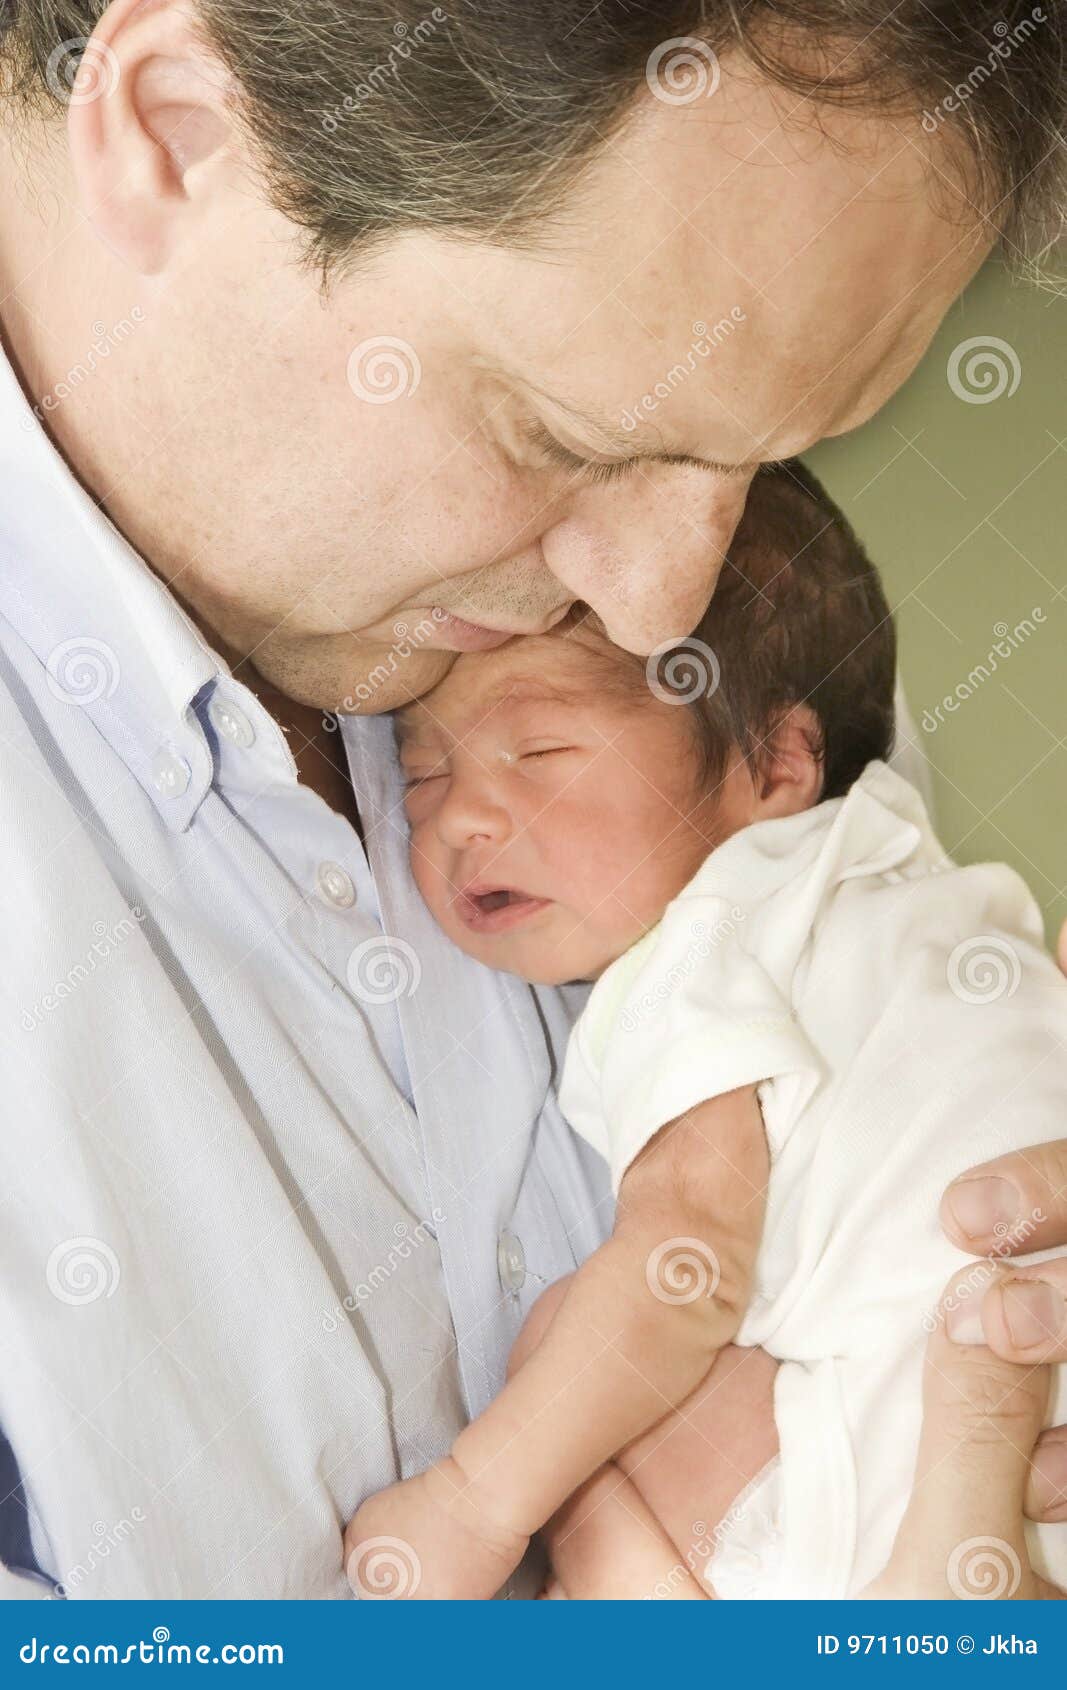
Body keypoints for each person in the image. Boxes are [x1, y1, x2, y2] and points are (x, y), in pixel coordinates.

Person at [0, 1, 1063, 1595]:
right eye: (559, 437)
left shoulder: (664, 616)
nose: (654, 607)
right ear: (173, 133)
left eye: (768, 462)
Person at [342, 462, 1067, 1599]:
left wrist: (472, 1501)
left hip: (886, 1497)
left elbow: (690, 1269)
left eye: (539, 754)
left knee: (572, 1337)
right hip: (1016, 1477)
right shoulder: (906, 880)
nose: (462, 817)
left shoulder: (701, 941)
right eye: (421, 776)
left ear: (776, 765)